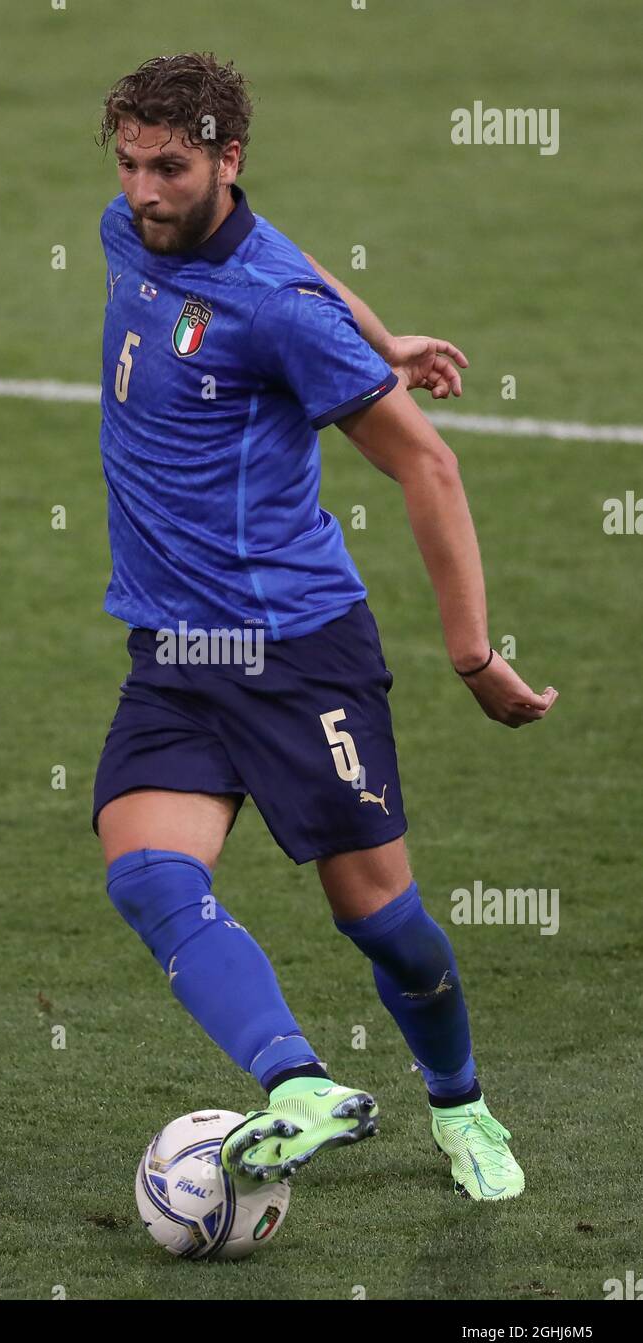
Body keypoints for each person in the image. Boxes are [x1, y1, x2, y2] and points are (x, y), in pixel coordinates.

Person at [93, 53, 558, 1201]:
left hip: (295, 653)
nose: (144, 191)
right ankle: (299, 1083)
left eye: (171, 167)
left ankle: (461, 1106)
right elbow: (287, 251)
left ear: (226, 160)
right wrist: (384, 333)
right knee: (148, 872)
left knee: (380, 919)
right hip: (176, 652)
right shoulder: (130, 232)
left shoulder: (275, 313)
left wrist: (472, 653)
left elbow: (428, 466)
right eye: (128, 163)